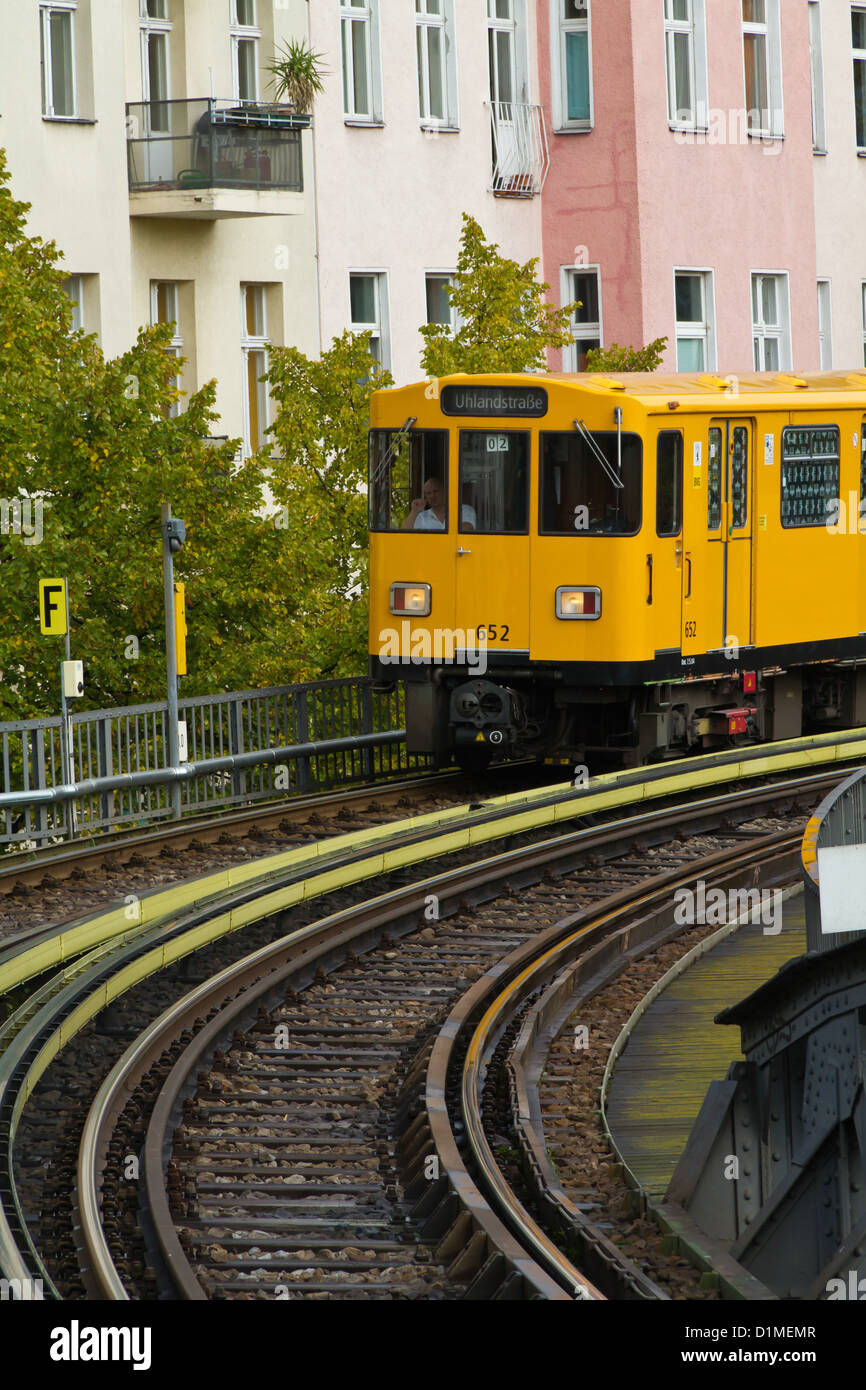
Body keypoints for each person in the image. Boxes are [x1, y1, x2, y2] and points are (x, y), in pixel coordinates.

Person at [401, 476, 476, 531]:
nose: (432, 496)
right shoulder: (422, 517)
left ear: (445, 492)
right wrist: (414, 512)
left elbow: (467, 527)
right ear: (425, 497)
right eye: (428, 493)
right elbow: (403, 535)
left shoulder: (464, 510)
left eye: (436, 491)